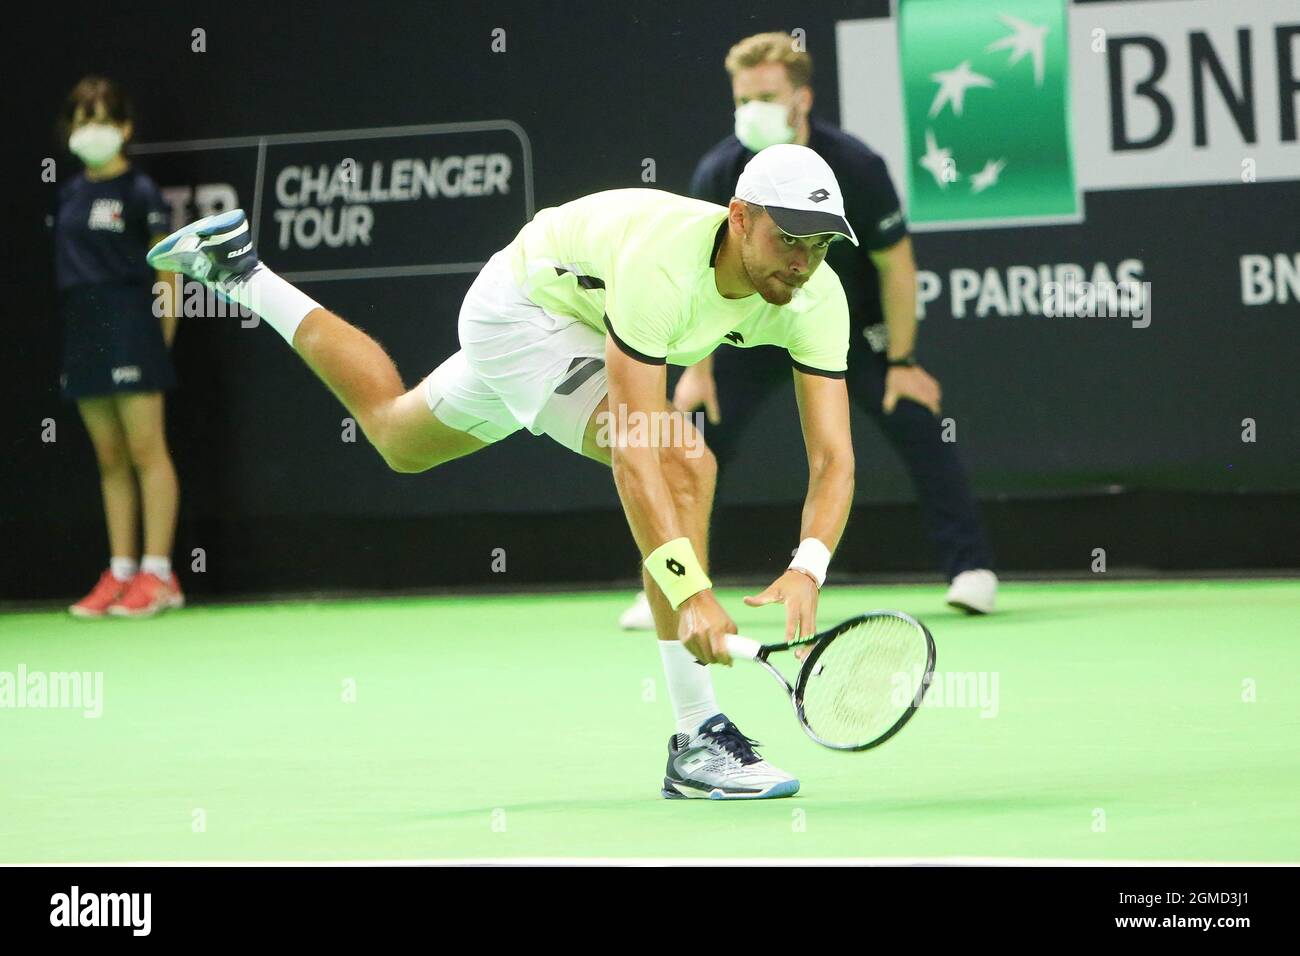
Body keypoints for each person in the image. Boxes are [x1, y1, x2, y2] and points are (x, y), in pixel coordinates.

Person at [150, 145, 857, 799]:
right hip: (523, 312)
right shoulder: (664, 265)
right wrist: (692, 592)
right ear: (739, 218)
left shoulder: (815, 297)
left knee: (397, 435)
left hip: (581, 321)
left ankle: (243, 273)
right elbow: (637, 453)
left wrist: (810, 565)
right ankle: (697, 735)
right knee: (681, 463)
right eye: (787, 238)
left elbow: (832, 458)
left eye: (819, 244)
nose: (801, 261)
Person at [620, 32, 997, 631]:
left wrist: (902, 359)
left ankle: (970, 569)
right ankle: (670, 583)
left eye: (766, 96)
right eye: (742, 99)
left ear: (802, 98)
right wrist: (697, 369)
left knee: (916, 419)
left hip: (838, 327)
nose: (751, 111)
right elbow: (695, 273)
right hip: (742, 322)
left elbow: (895, 265)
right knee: (688, 437)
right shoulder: (721, 170)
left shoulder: (856, 166)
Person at [50, 76, 185, 618]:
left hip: (133, 327)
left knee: (147, 451)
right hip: (83, 330)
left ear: (125, 128)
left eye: (104, 118)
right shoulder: (68, 194)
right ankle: (121, 571)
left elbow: (167, 271)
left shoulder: (141, 192)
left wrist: (162, 336)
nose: (93, 129)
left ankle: (160, 573)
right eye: (84, 119)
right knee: (109, 458)